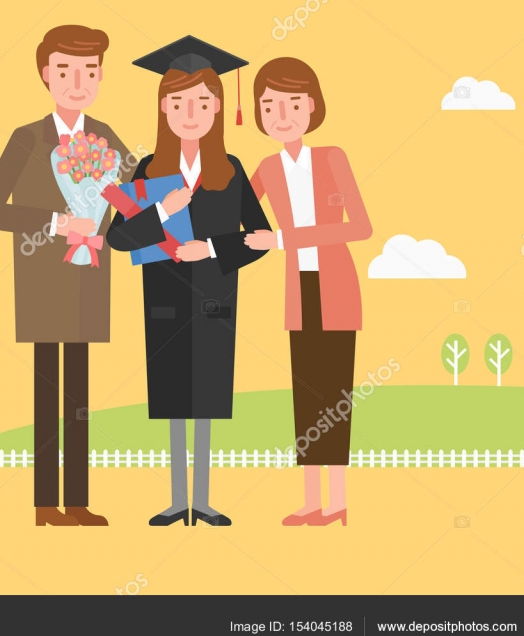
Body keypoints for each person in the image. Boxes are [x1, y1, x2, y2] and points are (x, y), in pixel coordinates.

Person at [0, 25, 134, 526]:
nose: (77, 82)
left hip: (89, 280)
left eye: (89, 71)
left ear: (101, 76)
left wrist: (152, 206)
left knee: (79, 397)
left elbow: (132, 198)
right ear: (46, 74)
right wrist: (56, 223)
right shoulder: (27, 138)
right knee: (47, 395)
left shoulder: (107, 137)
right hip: (43, 281)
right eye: (65, 71)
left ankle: (78, 501)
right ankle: (46, 504)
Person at [106, 36, 270, 526]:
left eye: (201, 101)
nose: (190, 113)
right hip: (165, 300)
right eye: (177, 103)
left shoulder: (232, 170)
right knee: (174, 403)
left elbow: (260, 237)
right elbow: (118, 239)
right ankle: (179, 500)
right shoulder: (149, 169)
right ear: (163, 109)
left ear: (218, 106)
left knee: (207, 405)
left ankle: (205, 500)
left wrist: (213, 248)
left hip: (215, 299)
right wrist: (161, 211)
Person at [244, 57, 372, 527]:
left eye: (292, 104)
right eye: (269, 106)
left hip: (336, 289)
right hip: (299, 292)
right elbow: (236, 211)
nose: (281, 115)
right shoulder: (266, 168)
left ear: (312, 107)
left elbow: (360, 227)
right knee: (307, 393)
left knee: (335, 394)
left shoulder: (331, 158)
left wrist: (282, 239)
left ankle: (337, 501)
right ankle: (310, 498)